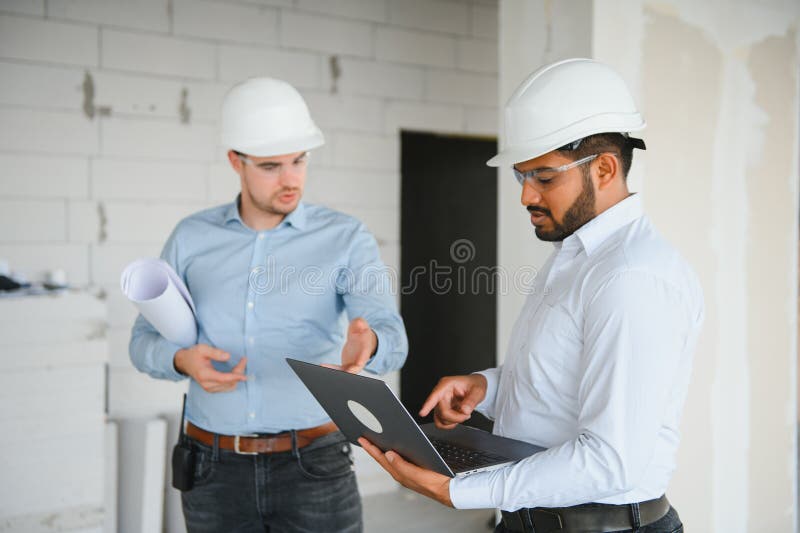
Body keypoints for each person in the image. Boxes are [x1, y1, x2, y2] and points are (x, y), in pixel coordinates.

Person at [359, 58, 703, 533]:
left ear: (604, 169)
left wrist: (456, 490)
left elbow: (610, 461)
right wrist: (488, 388)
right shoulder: (576, 256)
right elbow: (564, 378)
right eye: (522, 176)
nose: (526, 196)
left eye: (544, 176)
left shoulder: (632, 277)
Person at [129, 77, 408, 533]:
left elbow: (391, 336)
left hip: (314, 468)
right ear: (235, 161)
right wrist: (181, 359)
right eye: (271, 166)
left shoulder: (345, 237)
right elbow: (141, 341)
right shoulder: (190, 237)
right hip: (212, 471)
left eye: (299, 161)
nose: (290, 179)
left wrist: (370, 343)